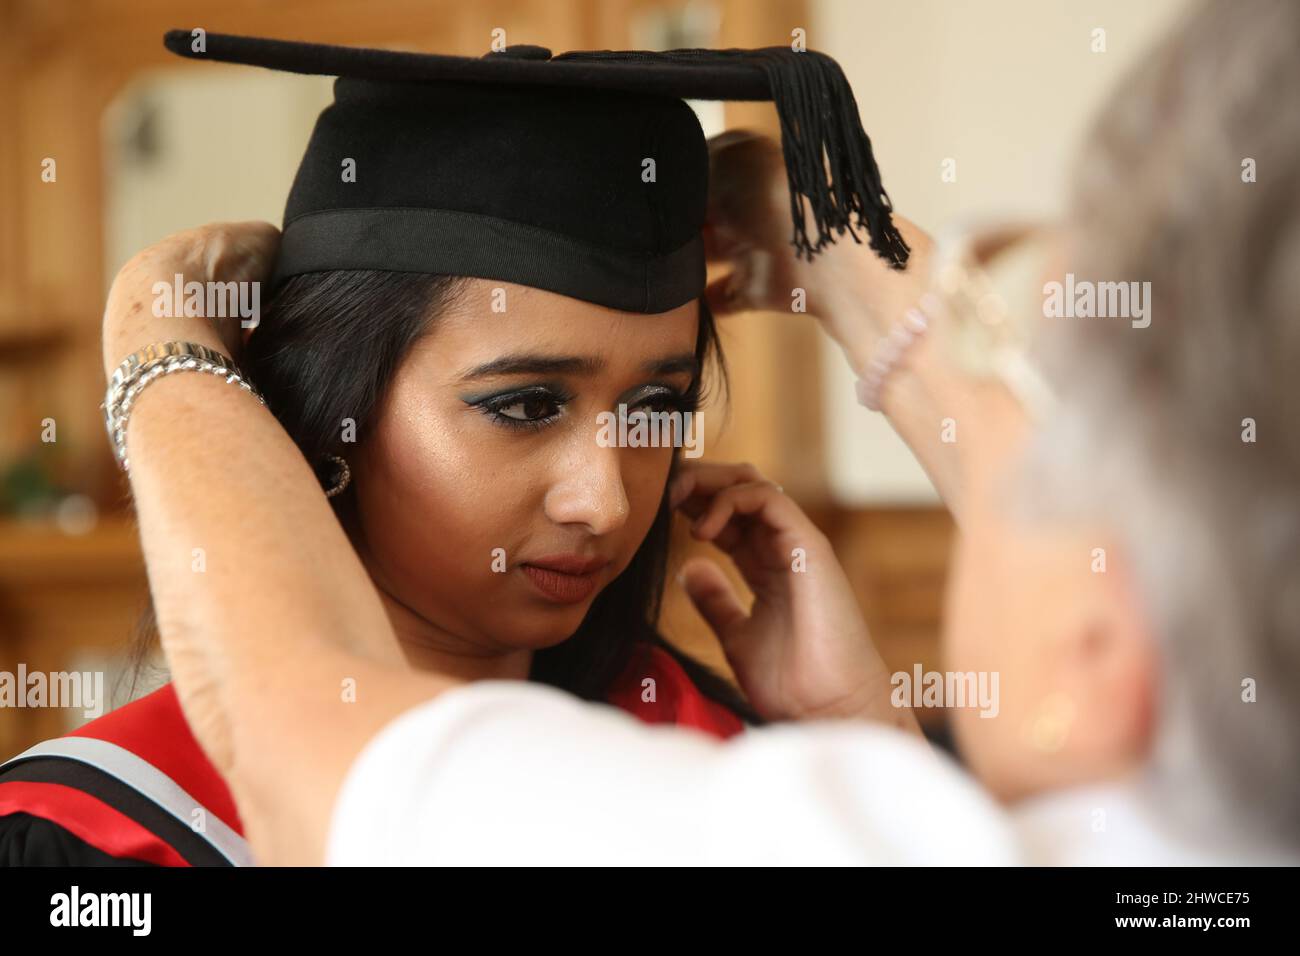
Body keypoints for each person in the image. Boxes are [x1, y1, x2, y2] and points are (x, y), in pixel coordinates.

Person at [0, 34, 912, 864]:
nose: (605, 501)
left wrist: (861, 748)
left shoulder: (744, 763)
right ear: (330, 409)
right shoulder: (100, 834)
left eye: (653, 406)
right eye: (524, 405)